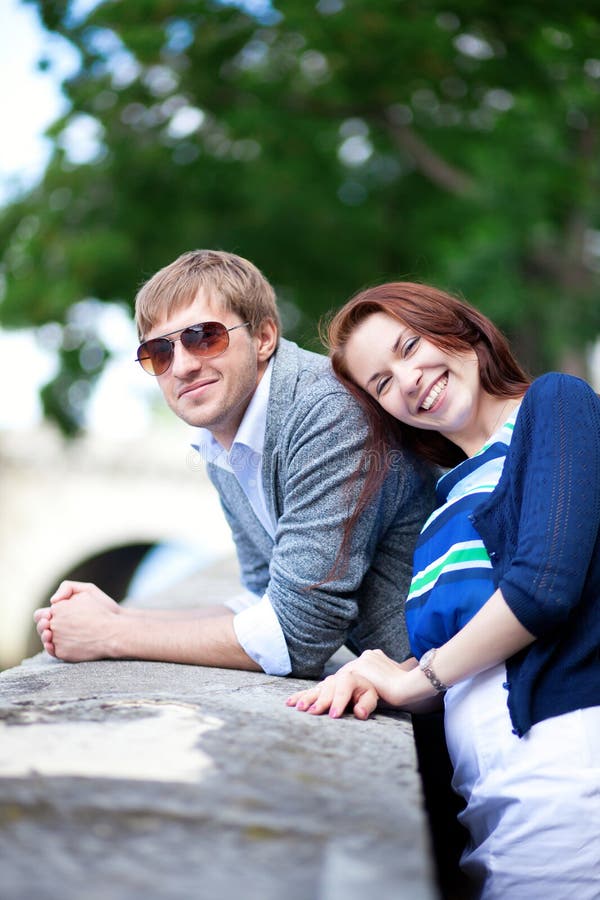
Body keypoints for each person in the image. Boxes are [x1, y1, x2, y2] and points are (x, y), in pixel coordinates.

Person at [287, 281, 600, 898]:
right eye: (380, 382)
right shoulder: (443, 504)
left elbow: (541, 590)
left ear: (459, 327)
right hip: (488, 806)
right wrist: (381, 674)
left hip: (570, 771)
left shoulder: (556, 408)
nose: (407, 380)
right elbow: (470, 662)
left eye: (410, 345)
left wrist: (414, 679)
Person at [34, 251, 434, 679]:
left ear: (264, 338)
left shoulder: (328, 412)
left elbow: (295, 637)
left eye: (204, 337)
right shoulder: (220, 439)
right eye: (159, 352)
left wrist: (112, 636)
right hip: (417, 682)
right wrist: (120, 617)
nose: (184, 366)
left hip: (459, 686)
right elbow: (262, 598)